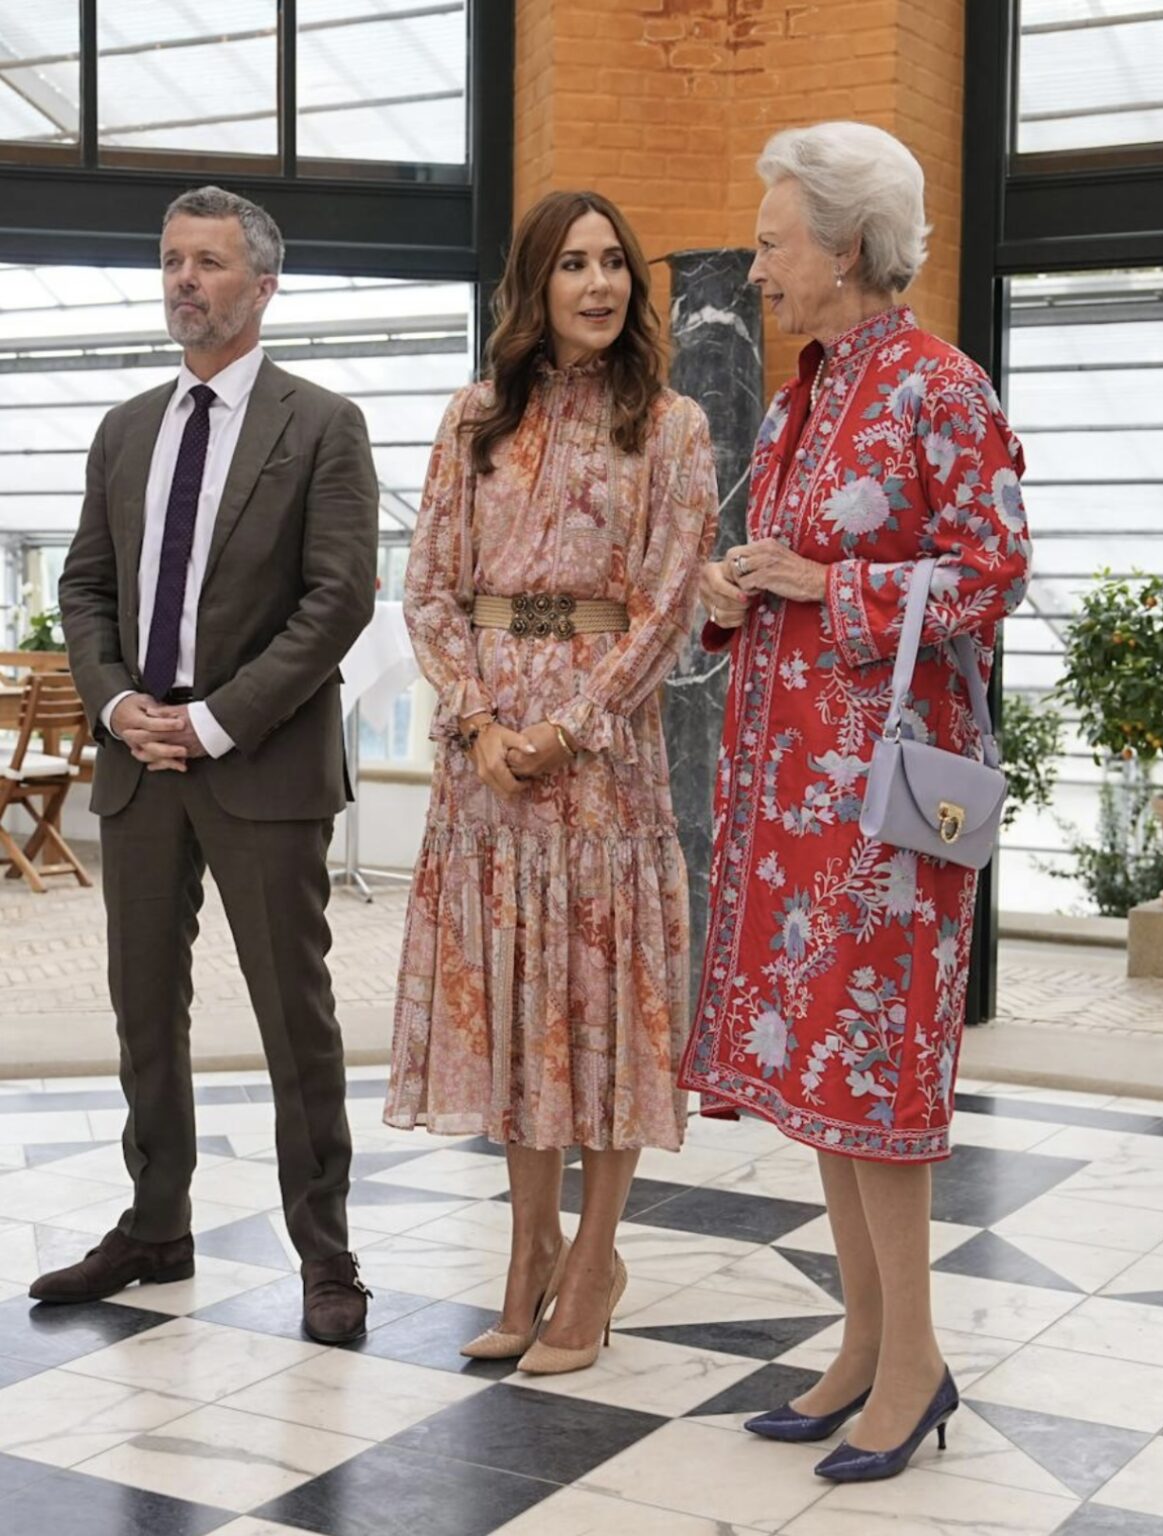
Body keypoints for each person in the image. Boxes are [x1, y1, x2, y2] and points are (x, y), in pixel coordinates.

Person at [680, 123, 1031, 1481]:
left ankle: (919, 1363)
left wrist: (835, 588)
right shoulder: (799, 397)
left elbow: (994, 571)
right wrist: (732, 591)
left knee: (876, 1081)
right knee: (823, 1081)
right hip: (784, 807)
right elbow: (780, 563)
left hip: (887, 816)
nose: (757, 270)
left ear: (846, 245)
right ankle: (864, 1344)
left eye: (773, 244)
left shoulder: (942, 387)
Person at [37, 185, 379, 1344]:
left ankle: (326, 1254)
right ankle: (155, 1224)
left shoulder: (321, 422)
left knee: (296, 1016)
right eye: (172, 260)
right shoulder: (126, 426)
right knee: (144, 1008)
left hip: (260, 763)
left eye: (210, 263)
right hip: (139, 762)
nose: (185, 280)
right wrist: (120, 701)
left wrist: (219, 718)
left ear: (262, 284)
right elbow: (85, 587)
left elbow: (338, 599)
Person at [385, 189, 718, 1375]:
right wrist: (477, 723)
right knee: (520, 1005)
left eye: (614, 263)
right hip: (485, 770)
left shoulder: (669, 425)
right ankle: (526, 1255)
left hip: (603, 761)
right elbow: (426, 585)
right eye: (572, 264)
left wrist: (574, 724)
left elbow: (672, 594)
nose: (597, 284)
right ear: (534, 284)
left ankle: (592, 1263)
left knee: (600, 1003)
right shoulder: (474, 417)